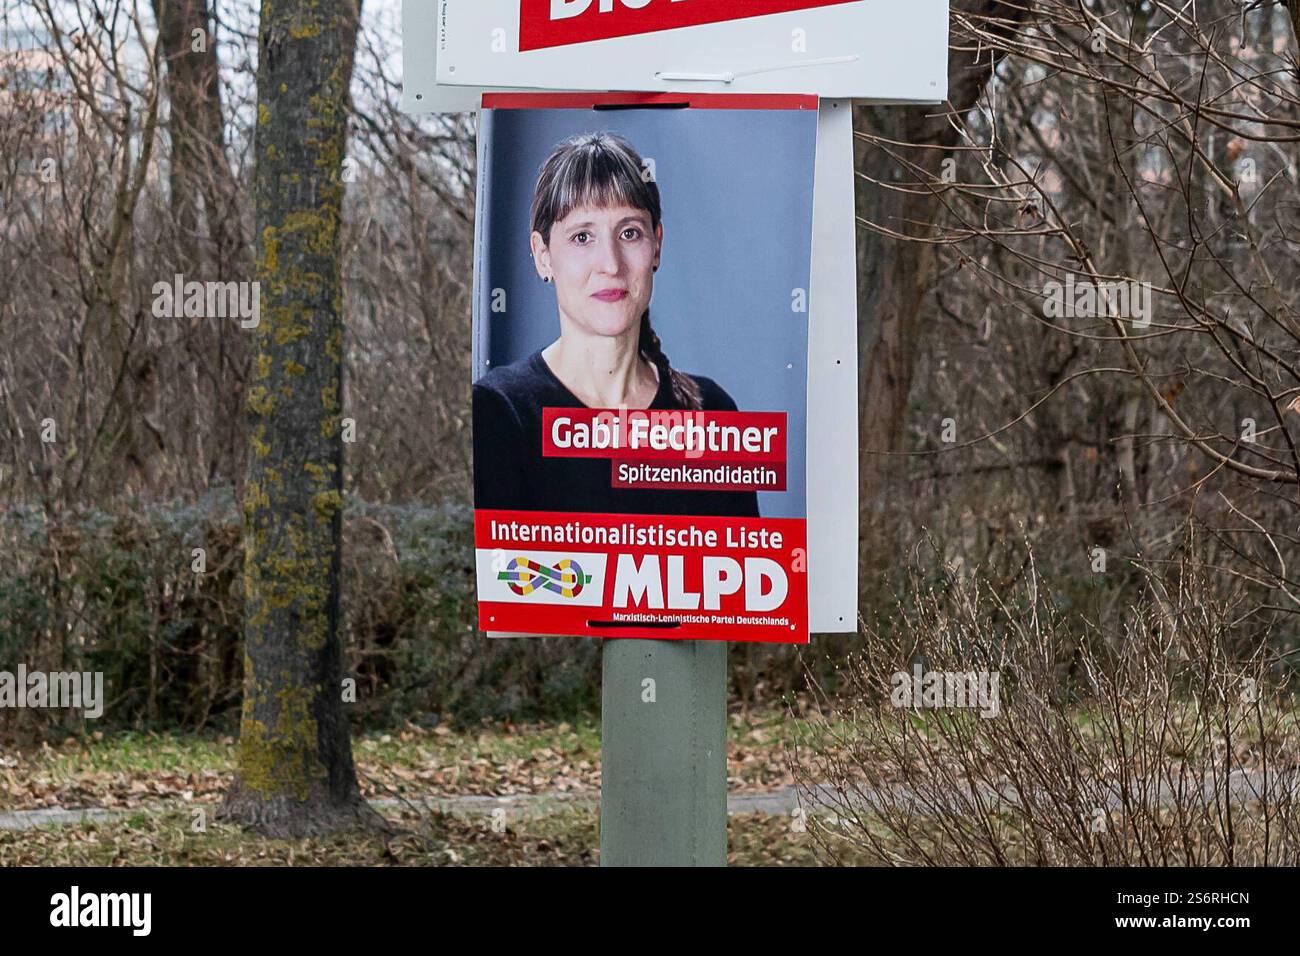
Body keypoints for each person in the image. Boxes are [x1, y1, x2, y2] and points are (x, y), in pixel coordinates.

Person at [473, 131, 760, 517]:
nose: (610, 263)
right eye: (582, 237)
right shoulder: (499, 413)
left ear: (656, 245)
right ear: (543, 256)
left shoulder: (713, 414)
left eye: (629, 233)